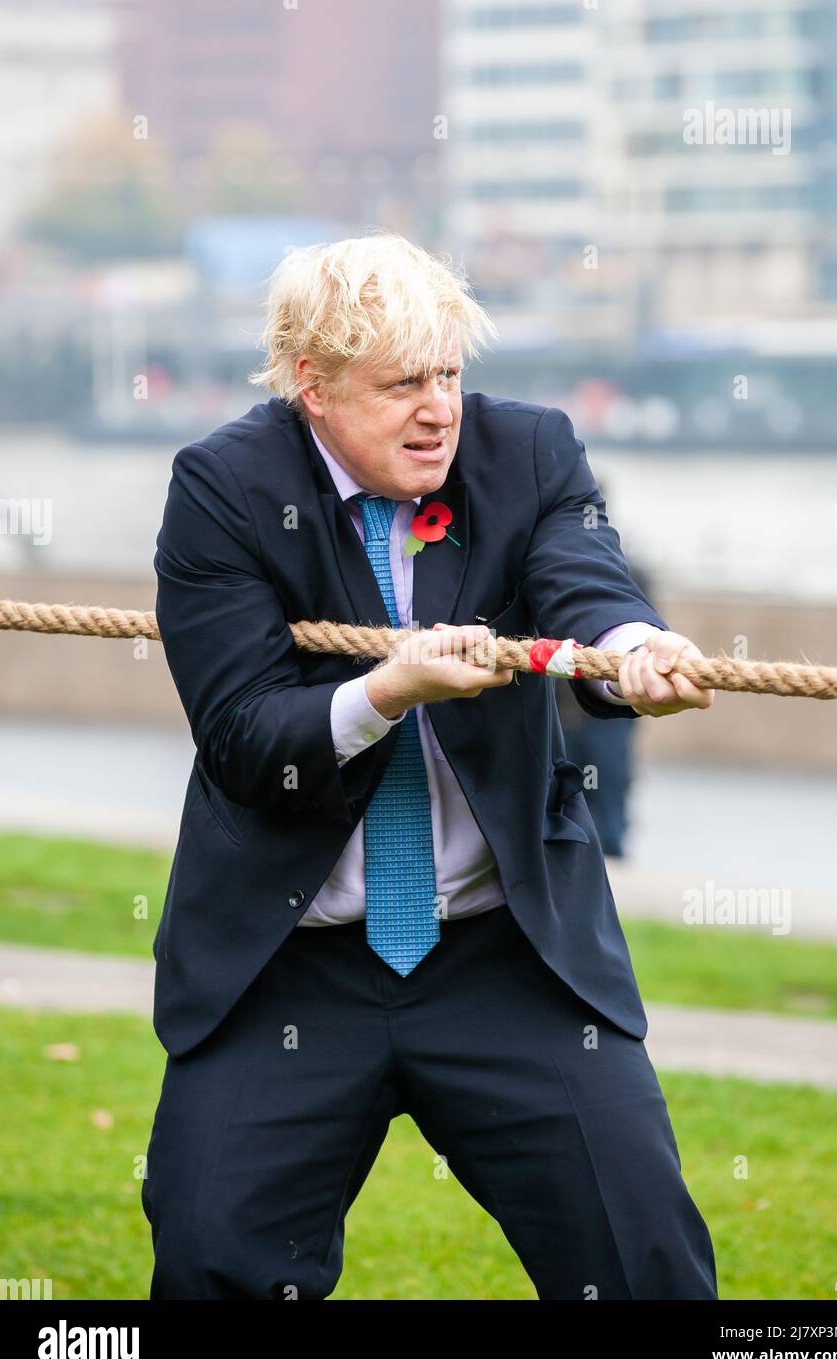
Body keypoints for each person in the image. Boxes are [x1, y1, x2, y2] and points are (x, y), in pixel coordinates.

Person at [142, 232, 717, 1301]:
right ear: (311, 383)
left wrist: (634, 650)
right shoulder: (222, 486)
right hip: (288, 957)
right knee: (210, 1263)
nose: (438, 408)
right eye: (402, 383)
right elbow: (242, 737)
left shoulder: (530, 450)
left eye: (449, 374)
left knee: (645, 1263)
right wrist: (387, 691)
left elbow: (584, 578)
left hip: (506, 953)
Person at [555, 543, 659, 858]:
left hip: (608, 709)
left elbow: (643, 624)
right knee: (567, 789)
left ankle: (612, 856)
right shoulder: (548, 562)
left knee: (610, 783)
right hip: (563, 705)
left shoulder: (627, 566)